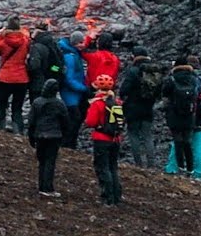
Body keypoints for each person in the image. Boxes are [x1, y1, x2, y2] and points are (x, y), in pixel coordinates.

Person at [163, 55, 201, 179]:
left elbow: (165, 97)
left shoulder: (174, 78)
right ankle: (197, 174)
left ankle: (172, 169)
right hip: (200, 117)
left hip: (180, 117)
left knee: (178, 143)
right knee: (198, 146)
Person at [116, 46, 163, 168]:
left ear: (134, 56)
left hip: (133, 108)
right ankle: (151, 164)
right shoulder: (154, 71)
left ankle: (139, 164)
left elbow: (124, 90)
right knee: (147, 135)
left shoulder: (133, 71)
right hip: (148, 107)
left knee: (133, 135)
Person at [83, 74, 124, 205]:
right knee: (113, 167)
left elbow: (90, 121)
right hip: (115, 139)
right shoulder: (117, 102)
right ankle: (117, 195)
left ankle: (107, 196)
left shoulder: (98, 103)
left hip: (101, 139)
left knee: (102, 167)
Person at [27, 79, 70, 197]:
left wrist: (31, 137)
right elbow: (65, 121)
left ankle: (41, 186)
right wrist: (64, 136)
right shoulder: (59, 104)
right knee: (50, 162)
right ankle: (48, 188)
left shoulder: (37, 102)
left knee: (42, 162)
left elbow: (31, 122)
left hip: (39, 135)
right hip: (54, 136)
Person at [0, 15, 30, 132]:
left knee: (1, 104)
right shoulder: (25, 41)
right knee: (17, 108)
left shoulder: (3, 42)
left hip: (5, 78)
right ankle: (18, 131)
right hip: (22, 78)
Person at [162, 56, 201, 175]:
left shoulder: (172, 78)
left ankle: (180, 167)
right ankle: (190, 168)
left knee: (177, 140)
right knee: (187, 141)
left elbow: (164, 92)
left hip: (174, 113)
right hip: (189, 114)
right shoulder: (193, 78)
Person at [55, 31, 89, 148]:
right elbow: (69, 79)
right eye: (80, 42)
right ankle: (67, 144)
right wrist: (84, 88)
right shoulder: (70, 57)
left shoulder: (74, 53)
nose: (82, 44)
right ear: (74, 43)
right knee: (73, 119)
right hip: (70, 93)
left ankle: (69, 143)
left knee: (75, 118)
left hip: (75, 92)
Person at [25, 23, 63, 99]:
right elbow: (58, 63)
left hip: (38, 83)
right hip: (51, 81)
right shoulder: (53, 43)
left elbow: (35, 66)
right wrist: (51, 71)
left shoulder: (37, 46)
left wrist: (27, 63)